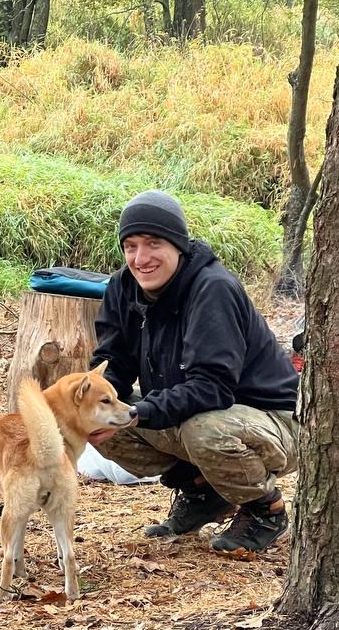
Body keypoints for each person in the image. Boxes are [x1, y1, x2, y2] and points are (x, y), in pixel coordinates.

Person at [88, 190, 300, 552]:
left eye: (154, 243)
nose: (141, 258)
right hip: (199, 414)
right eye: (131, 246)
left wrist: (140, 413)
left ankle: (266, 510)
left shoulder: (212, 289)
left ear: (178, 245)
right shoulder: (123, 287)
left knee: (202, 429)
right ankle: (203, 491)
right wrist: (92, 408)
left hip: (274, 420)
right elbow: (114, 361)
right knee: (104, 415)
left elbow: (212, 389)